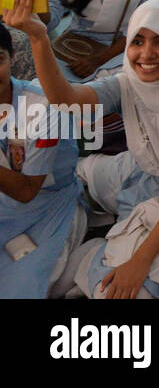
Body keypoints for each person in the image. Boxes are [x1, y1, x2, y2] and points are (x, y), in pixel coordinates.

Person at [25, 0, 159, 298]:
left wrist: (140, 261)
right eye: (137, 41)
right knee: (118, 289)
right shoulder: (127, 82)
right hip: (145, 189)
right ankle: (92, 258)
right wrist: (38, 38)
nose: (146, 54)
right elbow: (67, 101)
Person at [0, 18, 87, 297]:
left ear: (12, 58)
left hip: (49, 206)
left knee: (20, 286)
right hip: (5, 207)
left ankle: (88, 260)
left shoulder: (45, 107)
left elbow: (27, 191)